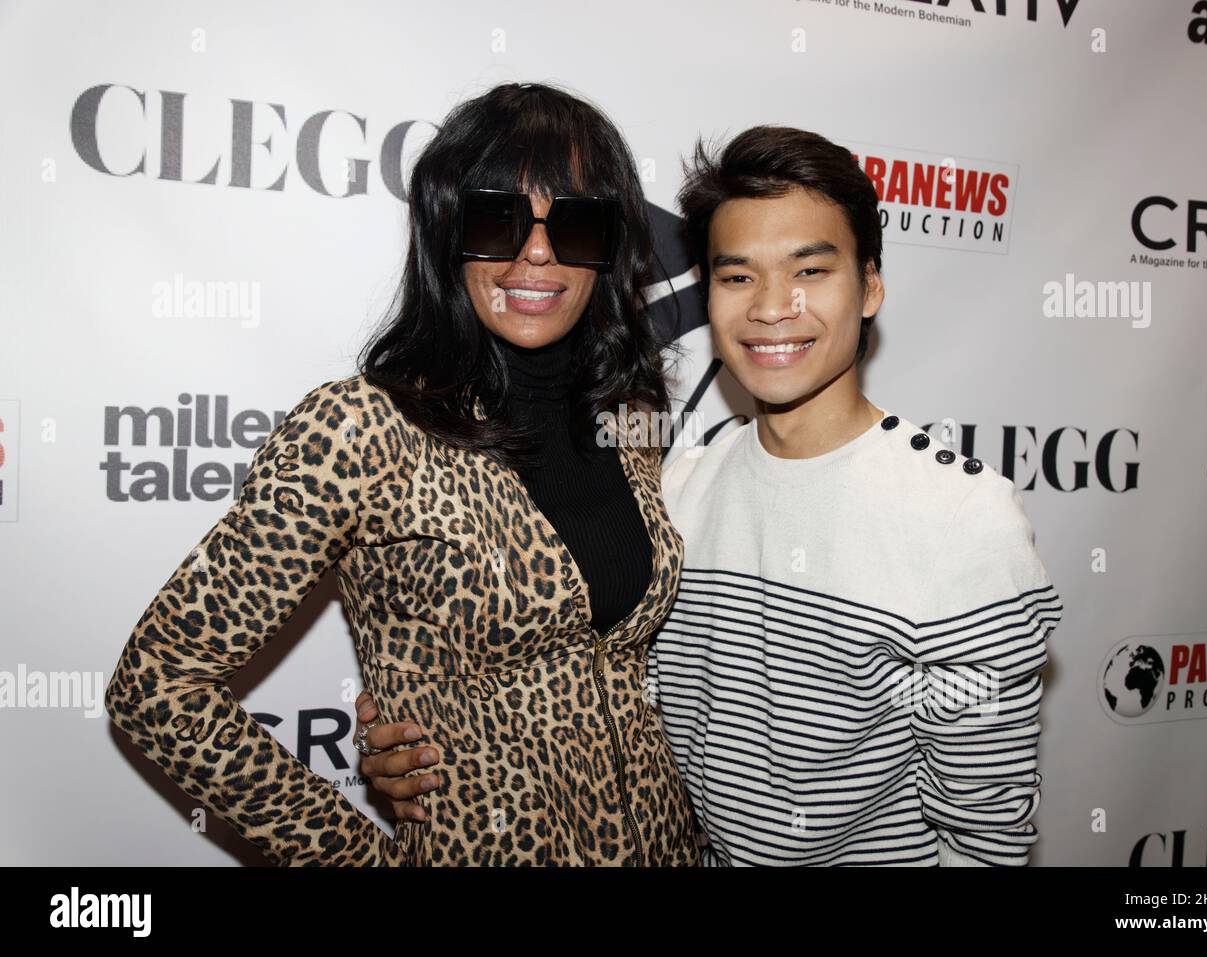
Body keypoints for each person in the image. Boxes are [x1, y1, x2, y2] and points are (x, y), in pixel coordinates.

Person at [359, 124, 1063, 867]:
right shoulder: (676, 491)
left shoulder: (960, 518)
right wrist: (429, 736)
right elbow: (611, 700)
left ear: (871, 285)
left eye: (810, 271)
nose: (770, 307)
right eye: (737, 277)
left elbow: (985, 835)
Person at [104, 82, 700, 866]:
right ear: (448, 233)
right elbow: (157, 687)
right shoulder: (359, 430)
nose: (538, 253)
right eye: (499, 218)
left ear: (611, 247)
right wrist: (356, 857)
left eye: (576, 223)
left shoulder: (630, 423)